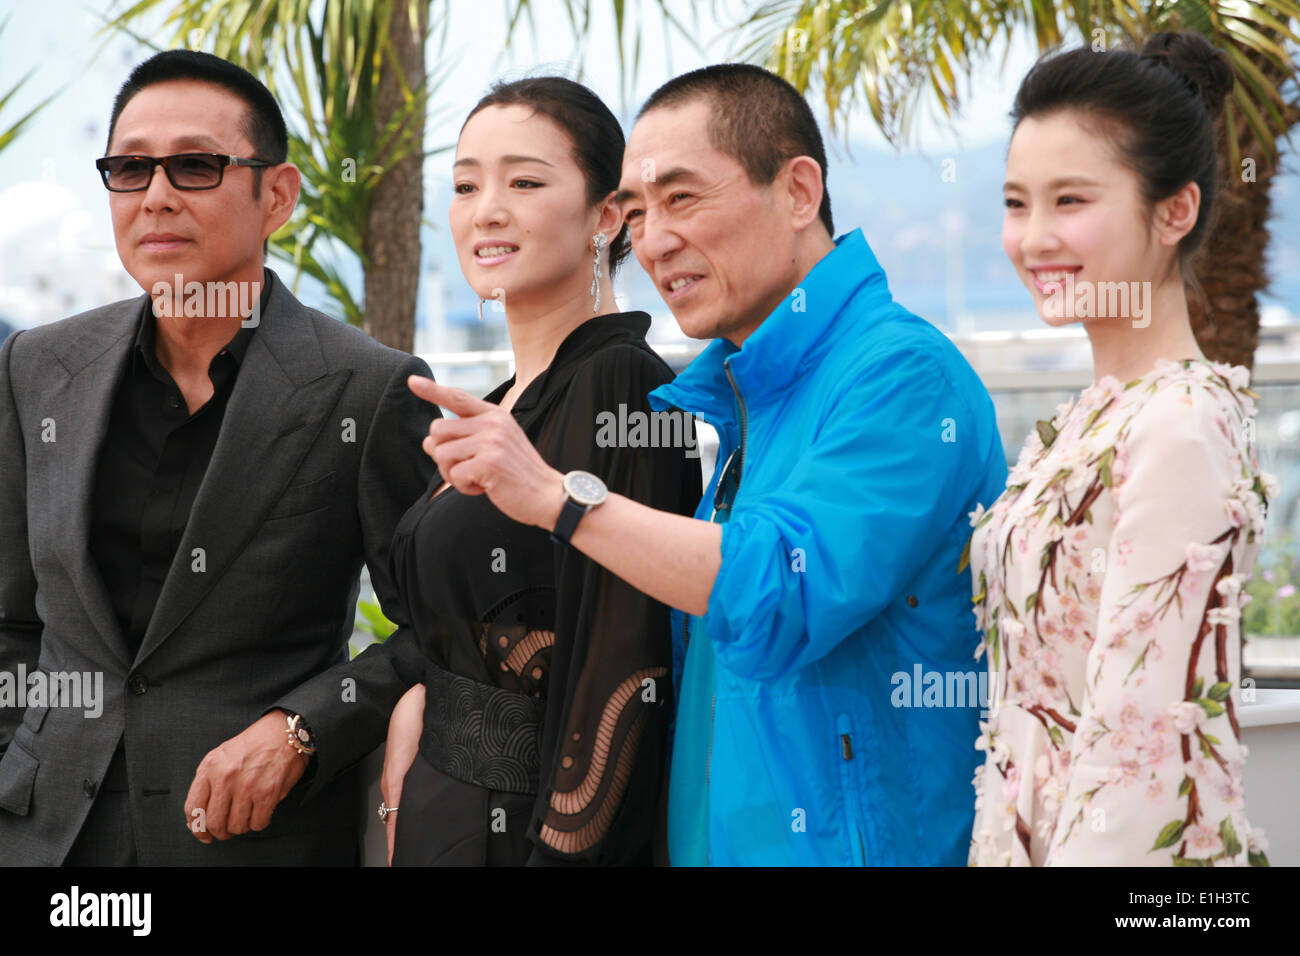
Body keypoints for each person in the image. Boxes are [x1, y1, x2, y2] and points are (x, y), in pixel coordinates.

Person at [411, 63, 1008, 865]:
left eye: (683, 199)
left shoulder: (901, 375)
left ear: (799, 192)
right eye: (641, 209)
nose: (652, 242)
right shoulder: (745, 393)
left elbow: (778, 590)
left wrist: (559, 499)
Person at [0, 50, 435, 865]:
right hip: (45, 836)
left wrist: (301, 729)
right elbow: (12, 616)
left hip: (253, 838)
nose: (156, 195)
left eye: (195, 166)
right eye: (130, 169)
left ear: (278, 194)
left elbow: (436, 625)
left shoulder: (369, 390)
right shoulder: (38, 366)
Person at [296, 76, 703, 866]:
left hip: (527, 835)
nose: (485, 209)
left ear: (606, 215)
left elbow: (623, 673)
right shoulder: (505, 405)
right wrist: (423, 697)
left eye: (524, 181)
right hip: (441, 812)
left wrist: (563, 850)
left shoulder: (622, 384)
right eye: (464, 185)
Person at [967, 32, 1273, 866]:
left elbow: (1137, 746)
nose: (1033, 240)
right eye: (1016, 203)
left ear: (1175, 210)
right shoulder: (1084, 422)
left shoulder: (1178, 424)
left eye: (1070, 202)